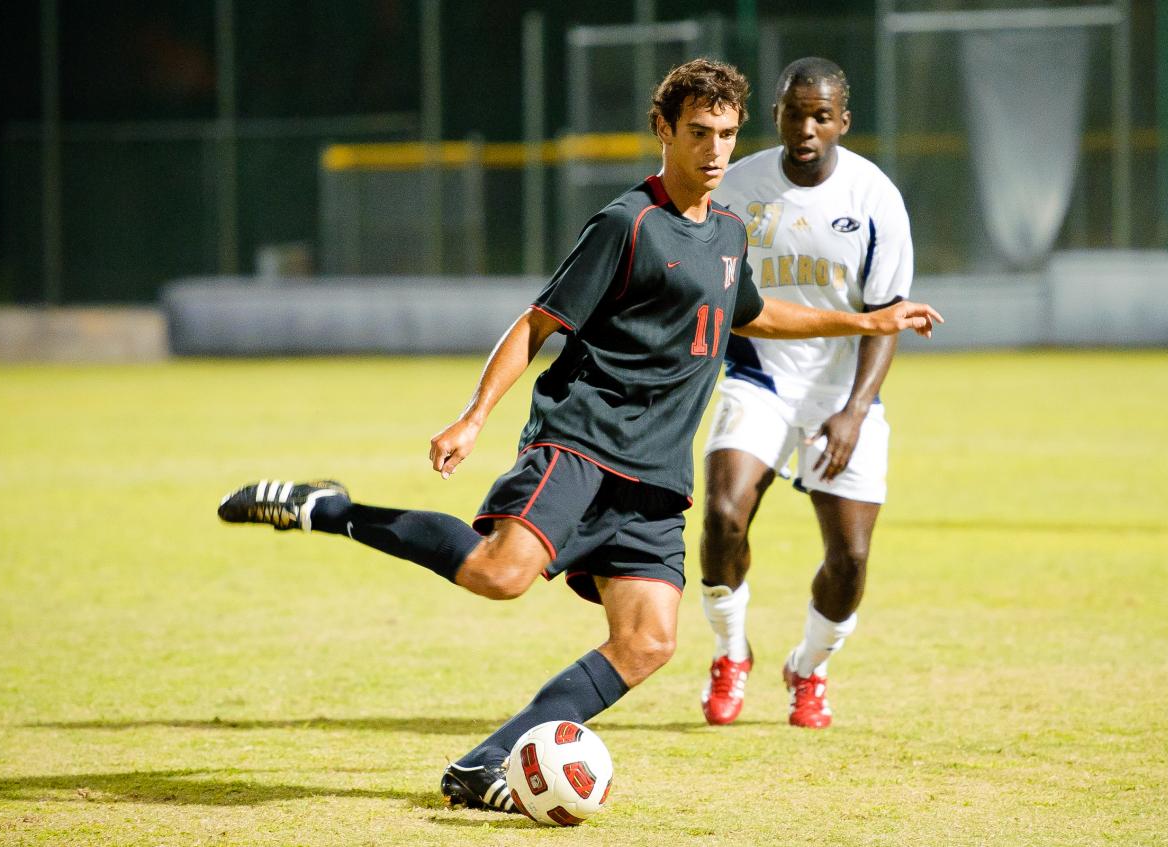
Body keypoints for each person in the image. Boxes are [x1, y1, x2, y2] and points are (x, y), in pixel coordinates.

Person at [218, 58, 940, 812]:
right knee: (500, 575)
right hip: (583, 439)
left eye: (726, 134)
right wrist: (473, 416)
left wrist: (866, 318)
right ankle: (327, 508)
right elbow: (537, 323)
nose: (716, 151)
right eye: (698, 133)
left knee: (648, 642)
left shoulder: (728, 230)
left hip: (655, 474)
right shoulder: (626, 223)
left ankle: (484, 763)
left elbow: (753, 315)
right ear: (663, 130)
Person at [697, 57, 914, 729]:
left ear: (842, 121)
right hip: (757, 376)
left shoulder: (873, 197)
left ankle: (809, 666)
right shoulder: (736, 189)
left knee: (848, 557)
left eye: (821, 115)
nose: (807, 127)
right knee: (722, 514)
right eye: (795, 113)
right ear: (777, 116)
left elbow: (885, 315)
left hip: (840, 390)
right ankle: (730, 651)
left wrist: (853, 410)